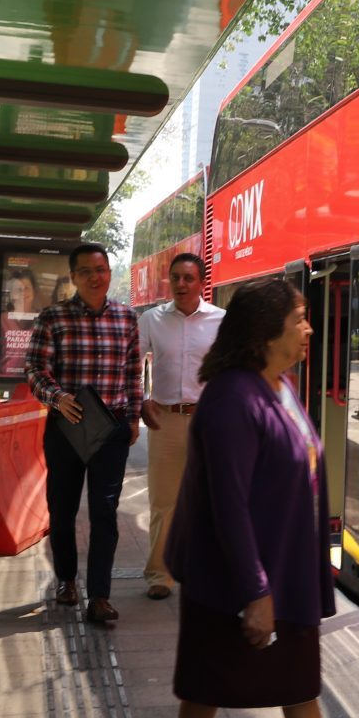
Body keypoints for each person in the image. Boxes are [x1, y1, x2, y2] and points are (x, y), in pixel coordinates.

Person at [160, 277, 359, 718]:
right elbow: (228, 505)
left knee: (297, 685)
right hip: (236, 577)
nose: (310, 329)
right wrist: (255, 591)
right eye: (301, 318)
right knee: (205, 684)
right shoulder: (230, 399)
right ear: (267, 331)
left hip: (281, 568)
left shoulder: (280, 385)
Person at [27, 243, 142, 625]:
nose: (96, 276)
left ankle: (100, 596)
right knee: (62, 509)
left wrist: (134, 418)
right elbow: (36, 372)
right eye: (87, 271)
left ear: (109, 272)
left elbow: (132, 374)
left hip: (110, 430)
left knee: (104, 512)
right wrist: (58, 398)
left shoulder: (127, 319)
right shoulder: (53, 319)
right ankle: (65, 580)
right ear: (73, 277)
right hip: (66, 427)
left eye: (102, 269)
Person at [138, 253, 226, 600]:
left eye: (188, 278)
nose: (180, 284)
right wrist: (140, 400)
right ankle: (160, 574)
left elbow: (230, 368)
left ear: (201, 283)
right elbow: (132, 364)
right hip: (165, 420)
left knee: (211, 499)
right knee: (163, 501)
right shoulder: (151, 320)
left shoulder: (221, 320)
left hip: (208, 420)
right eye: (175, 278)